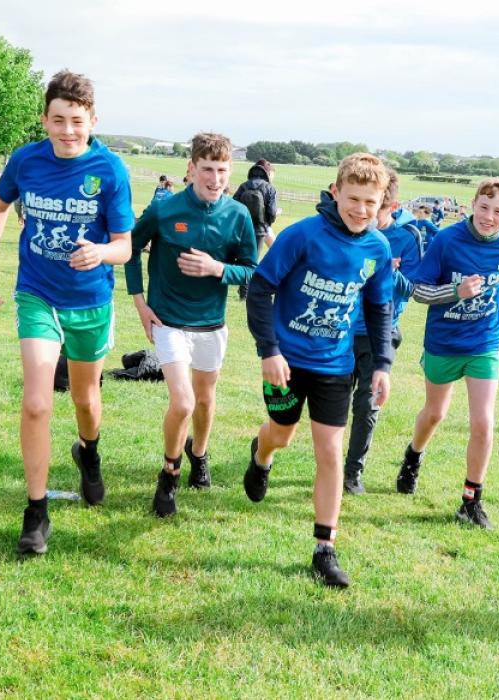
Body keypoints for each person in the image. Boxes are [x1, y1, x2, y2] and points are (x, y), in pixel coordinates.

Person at [0, 70, 135, 555]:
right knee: (38, 401)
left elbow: (125, 247)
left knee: (86, 401)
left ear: (93, 121)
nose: (68, 131)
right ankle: (36, 509)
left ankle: (88, 451)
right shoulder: (26, 160)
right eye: (59, 120)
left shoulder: (110, 171)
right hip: (37, 293)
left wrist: (100, 254)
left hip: (90, 300)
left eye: (77, 121)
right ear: (44, 119)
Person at [243, 153, 395, 588]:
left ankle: (324, 548)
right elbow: (261, 288)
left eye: (371, 201)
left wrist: (382, 364)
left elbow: (379, 307)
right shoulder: (302, 236)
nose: (361, 210)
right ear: (335, 192)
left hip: (335, 365)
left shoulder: (377, 248)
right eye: (353, 199)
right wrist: (269, 350)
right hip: (286, 363)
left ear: (382, 201)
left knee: (329, 452)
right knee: (281, 433)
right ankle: (261, 455)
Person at [125, 132, 257, 517]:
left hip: (212, 325)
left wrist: (217, 269)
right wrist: (139, 302)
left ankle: (198, 454)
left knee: (204, 399)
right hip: (168, 322)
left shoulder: (238, 215)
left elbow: (252, 270)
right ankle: (169, 474)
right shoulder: (165, 210)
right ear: (190, 169)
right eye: (206, 170)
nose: (214, 179)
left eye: (221, 170)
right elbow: (130, 247)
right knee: (182, 402)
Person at [396, 178, 499, 530]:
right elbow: (419, 291)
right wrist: (456, 291)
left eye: (498, 211)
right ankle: (413, 455)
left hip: (484, 342)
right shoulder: (447, 239)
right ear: (472, 204)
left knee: (484, 421)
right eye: (484, 207)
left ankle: (471, 500)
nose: (489, 216)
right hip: (444, 342)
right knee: (435, 414)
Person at [343, 168, 423, 494]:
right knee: (329, 399)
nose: (368, 215)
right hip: (340, 327)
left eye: (378, 209)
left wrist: (389, 270)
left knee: (367, 403)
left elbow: (413, 290)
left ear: (392, 205)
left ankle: (352, 473)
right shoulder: (348, 227)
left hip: (379, 331)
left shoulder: (408, 238)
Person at [233, 159, 279, 300]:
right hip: (259, 230)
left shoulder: (244, 185)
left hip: (241, 228)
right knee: (253, 260)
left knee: (242, 258)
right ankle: (245, 293)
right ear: (267, 172)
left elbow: (233, 205)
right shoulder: (269, 188)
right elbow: (272, 212)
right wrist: (267, 223)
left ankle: (242, 289)